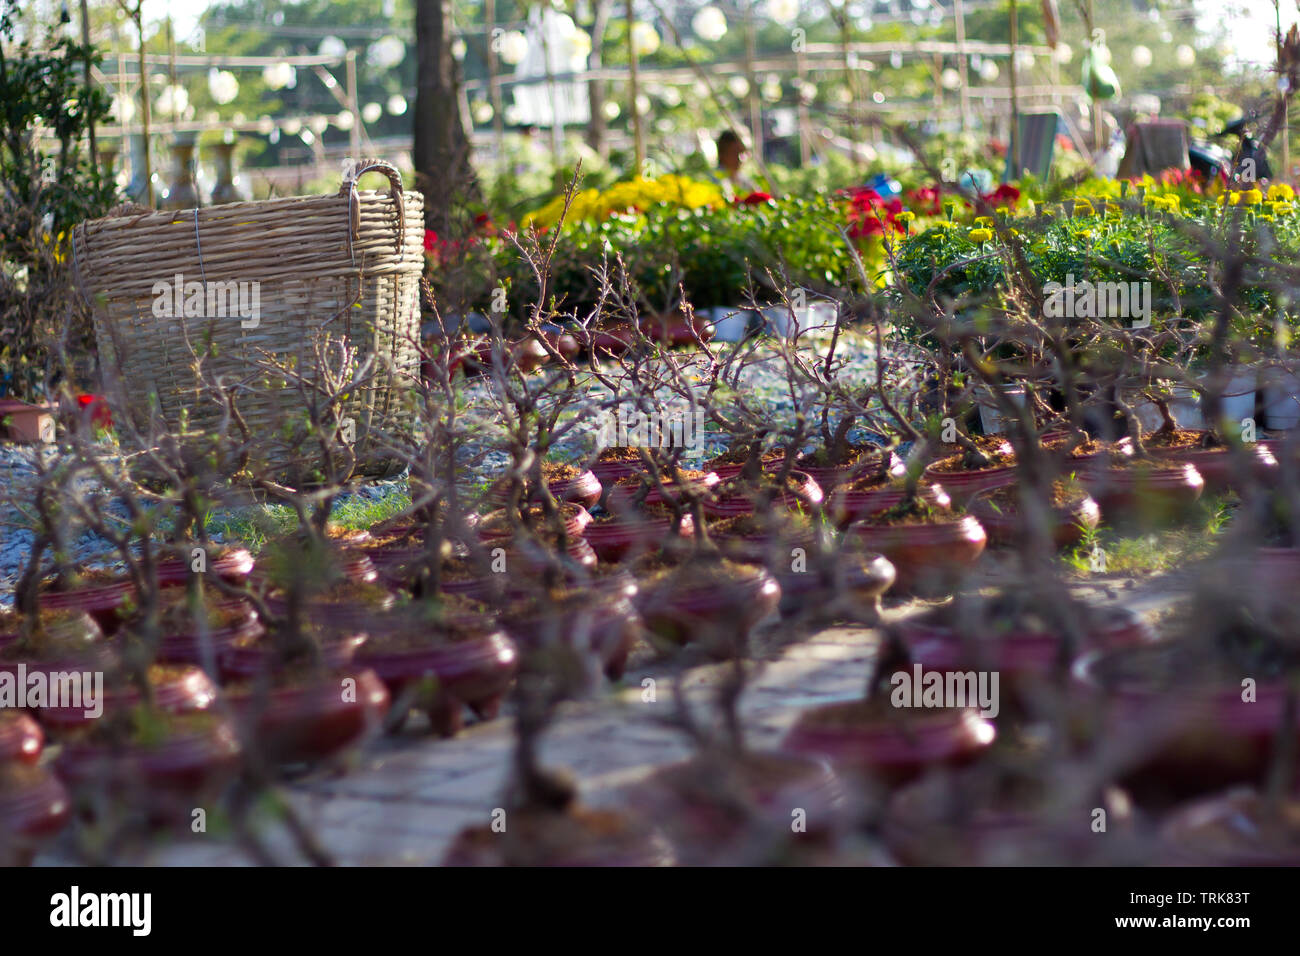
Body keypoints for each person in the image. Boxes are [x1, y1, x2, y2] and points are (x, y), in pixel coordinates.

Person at [713, 129, 758, 197]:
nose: (740, 158)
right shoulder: (714, 181)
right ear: (722, 152)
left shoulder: (745, 181)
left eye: (743, 152)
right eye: (735, 152)